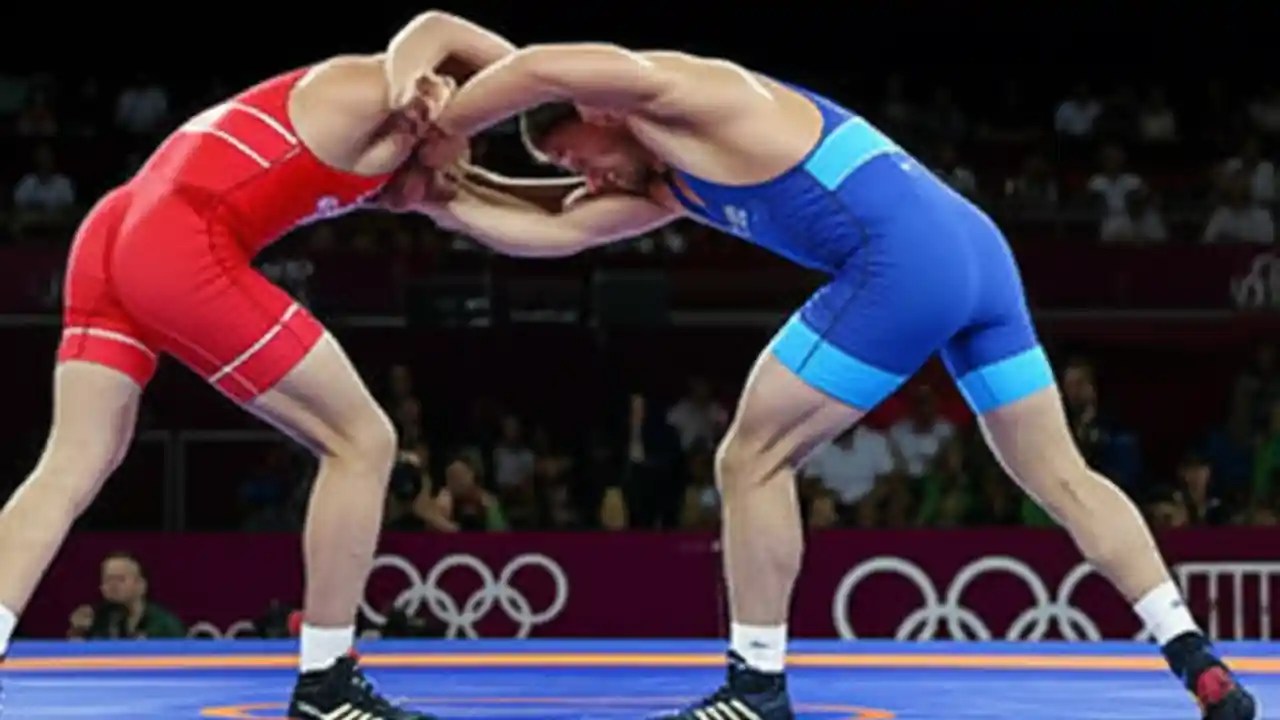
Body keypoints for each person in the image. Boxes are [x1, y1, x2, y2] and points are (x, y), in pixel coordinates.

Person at [413, 45, 1256, 719]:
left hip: (905, 264)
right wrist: (430, 195)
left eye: (575, 154)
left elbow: (534, 68)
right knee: (1061, 476)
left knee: (750, 460)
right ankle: (1197, 661)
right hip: (975, 253)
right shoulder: (670, 182)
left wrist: (443, 122)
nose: (585, 176)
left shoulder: (678, 90)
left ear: (600, 114)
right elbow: (553, 232)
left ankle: (756, 689)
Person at [0, 12, 525, 720]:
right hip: (177, 238)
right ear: (448, 102)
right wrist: (564, 91)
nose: (472, 156)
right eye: (480, 133)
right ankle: (326, 685)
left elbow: (535, 228)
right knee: (363, 442)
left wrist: (651, 197)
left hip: (117, 229)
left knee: (73, 461)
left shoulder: (403, 158)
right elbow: (431, 26)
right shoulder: (373, 86)